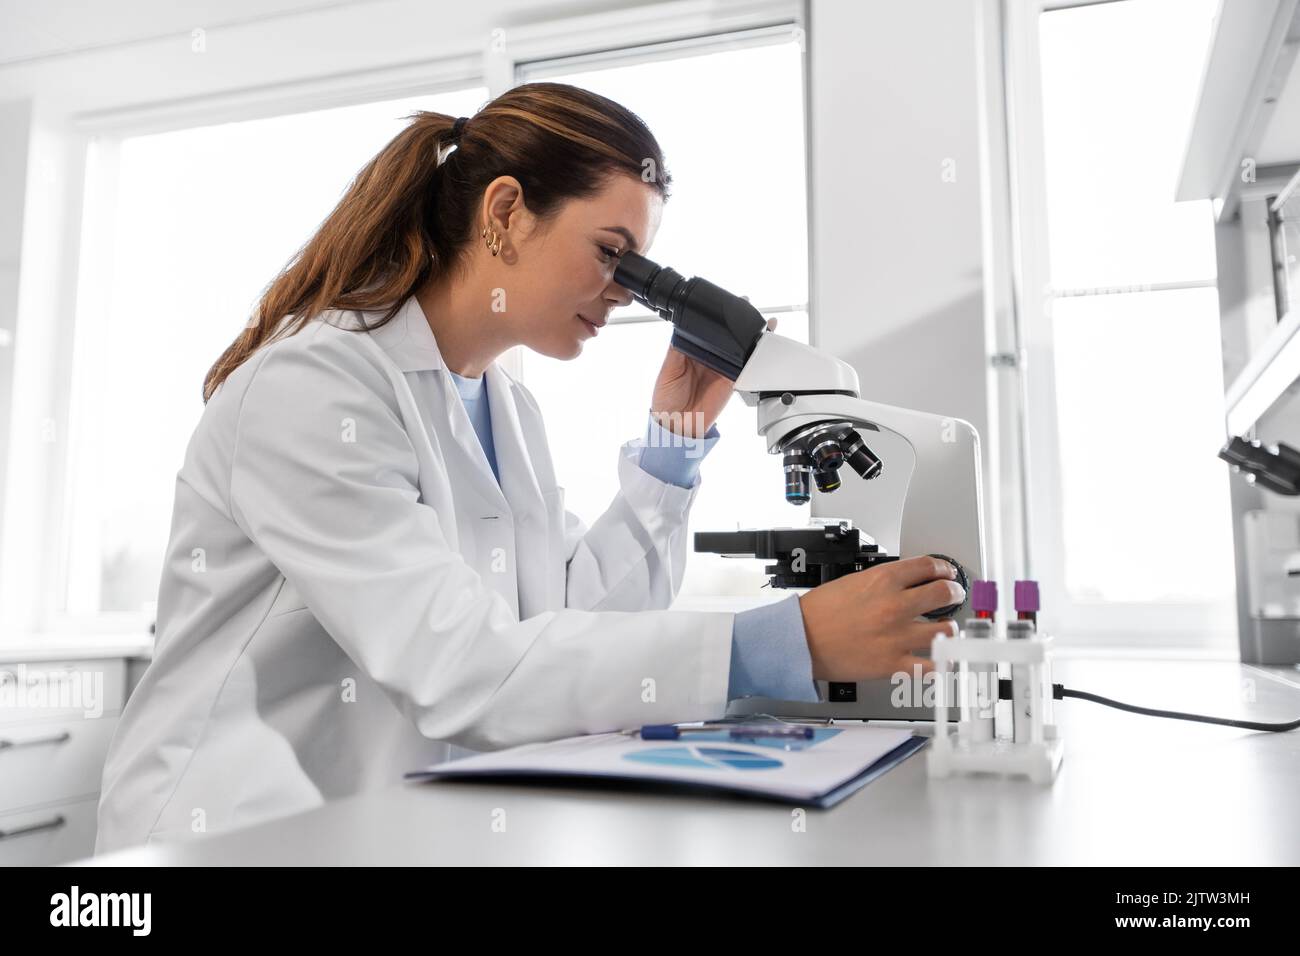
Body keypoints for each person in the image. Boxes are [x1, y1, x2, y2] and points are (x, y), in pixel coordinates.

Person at [94, 83, 962, 853]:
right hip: (231, 833)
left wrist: (672, 451)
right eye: (612, 253)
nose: (626, 291)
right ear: (505, 212)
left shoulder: (505, 404)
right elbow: (464, 671)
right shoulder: (314, 388)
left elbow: (561, 623)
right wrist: (781, 642)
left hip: (376, 824)